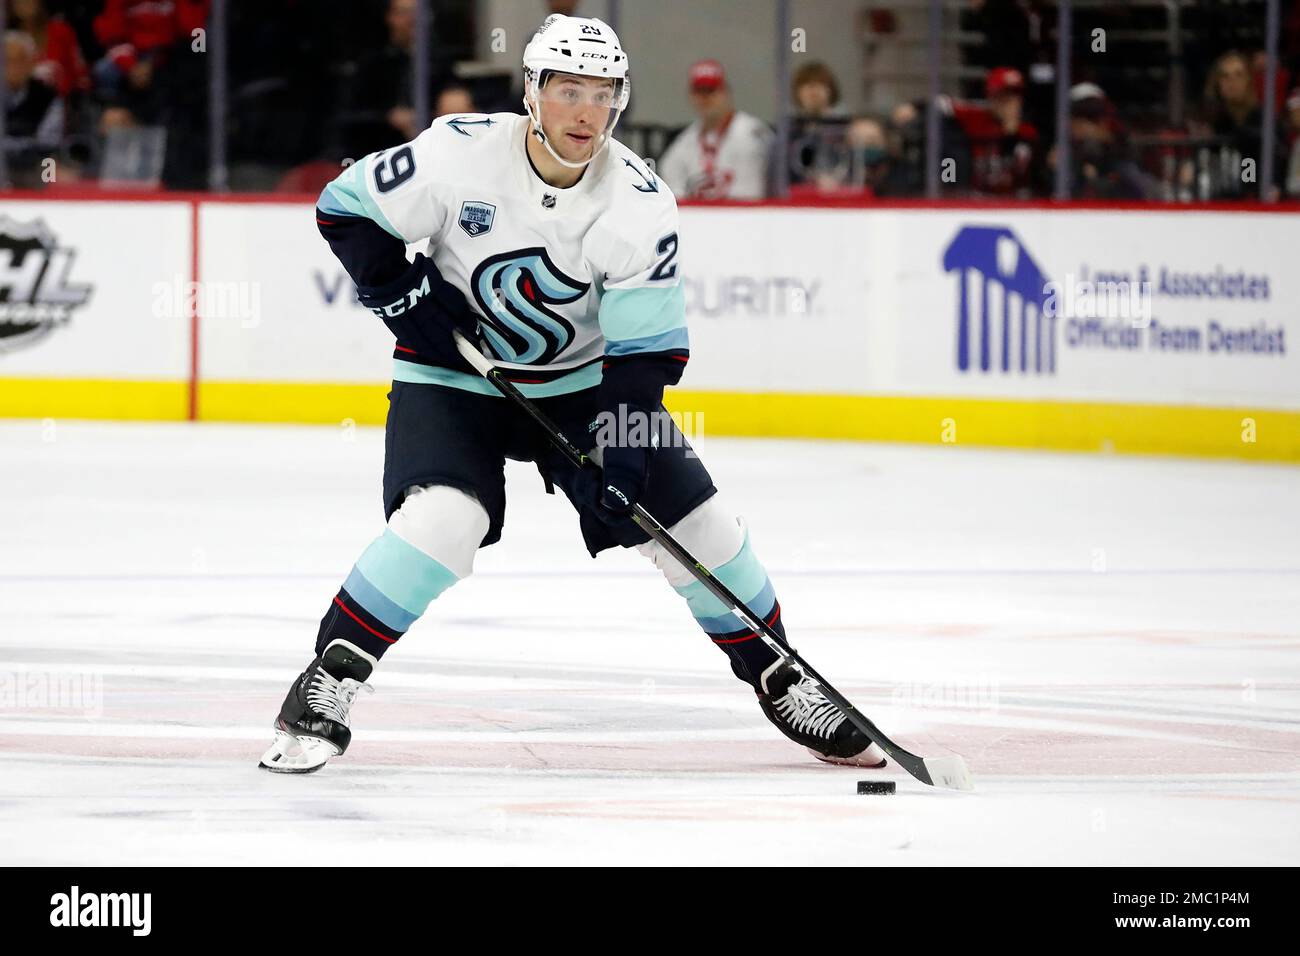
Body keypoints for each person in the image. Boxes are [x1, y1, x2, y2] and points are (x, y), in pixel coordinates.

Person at [260, 14, 884, 774]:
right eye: (568, 91)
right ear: (533, 92)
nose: (586, 111)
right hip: (454, 374)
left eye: (603, 93)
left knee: (694, 523)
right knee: (445, 521)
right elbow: (344, 208)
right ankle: (330, 675)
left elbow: (640, 359)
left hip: (583, 388)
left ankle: (781, 673)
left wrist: (620, 457)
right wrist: (400, 294)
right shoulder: (459, 153)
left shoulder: (639, 202)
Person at [656, 59, 773, 200]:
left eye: (711, 91)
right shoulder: (686, 140)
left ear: (726, 92)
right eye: (699, 92)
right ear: (691, 96)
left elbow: (749, 195)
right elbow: (671, 188)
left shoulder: (751, 133)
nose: (705, 98)